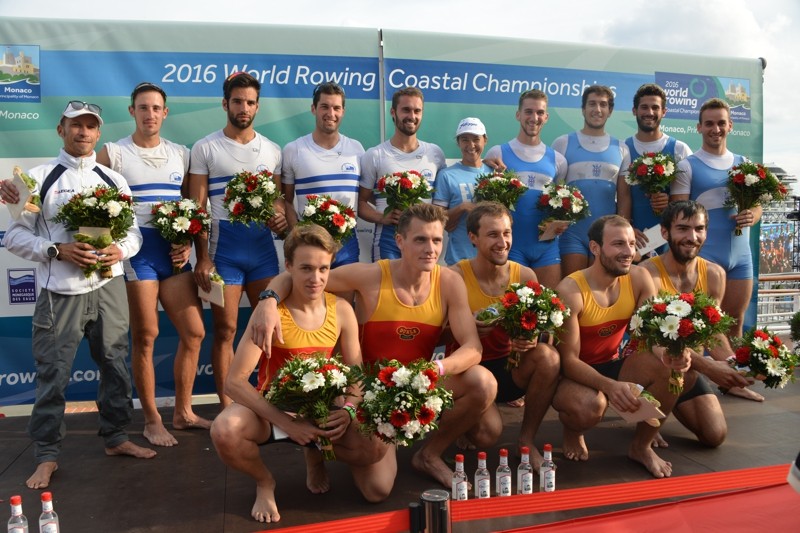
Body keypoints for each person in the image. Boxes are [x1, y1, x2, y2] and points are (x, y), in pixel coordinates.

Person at [250, 203, 497, 489]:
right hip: (371, 394)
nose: (430, 248)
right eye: (421, 239)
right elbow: (303, 275)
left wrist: (435, 368)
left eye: (437, 240)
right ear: (400, 241)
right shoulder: (370, 276)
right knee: (376, 490)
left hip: (418, 382)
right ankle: (315, 452)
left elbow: (473, 348)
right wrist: (268, 299)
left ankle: (429, 455)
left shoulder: (449, 282)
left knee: (484, 388)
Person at [1, 100, 156, 489]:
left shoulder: (112, 179)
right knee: (53, 375)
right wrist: (57, 250)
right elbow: (15, 236)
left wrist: (121, 250)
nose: (83, 132)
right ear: (61, 129)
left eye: (90, 126)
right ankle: (46, 456)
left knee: (116, 365)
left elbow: (133, 233)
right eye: (75, 126)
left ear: (98, 133)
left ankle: (117, 437)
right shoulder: (36, 179)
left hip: (108, 285)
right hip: (60, 292)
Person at [210, 224, 392, 523]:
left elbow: (357, 375)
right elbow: (234, 382)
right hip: (273, 412)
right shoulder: (270, 313)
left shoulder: (342, 309)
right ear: (289, 267)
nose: (316, 278)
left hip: (323, 411)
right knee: (224, 431)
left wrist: (347, 411)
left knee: (374, 447)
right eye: (306, 268)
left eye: (323, 268)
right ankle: (264, 482)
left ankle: (316, 452)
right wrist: (286, 423)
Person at [97, 82, 210, 446]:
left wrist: (187, 240)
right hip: (136, 253)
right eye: (142, 108)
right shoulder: (113, 153)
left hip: (173, 255)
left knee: (194, 333)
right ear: (132, 111)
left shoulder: (181, 153)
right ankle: (150, 419)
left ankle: (183, 412)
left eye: (156, 108)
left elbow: (192, 208)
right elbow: (91, 199)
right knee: (146, 336)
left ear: (165, 113)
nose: (149, 114)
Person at [551, 215, 692, 478]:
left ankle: (641, 447)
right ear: (595, 248)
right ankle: (573, 430)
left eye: (631, 244)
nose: (628, 252)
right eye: (618, 244)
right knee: (589, 406)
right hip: (574, 373)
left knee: (671, 368)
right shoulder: (570, 290)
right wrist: (609, 387)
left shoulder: (639, 278)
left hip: (614, 363)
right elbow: (568, 361)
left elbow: (651, 337)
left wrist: (668, 355)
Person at [187, 71, 289, 408]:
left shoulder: (272, 150)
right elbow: (197, 207)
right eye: (237, 101)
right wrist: (202, 257)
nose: (243, 108)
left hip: (262, 251)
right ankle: (228, 406)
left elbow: (275, 201)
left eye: (249, 102)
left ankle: (271, 399)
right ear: (225, 104)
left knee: (271, 327)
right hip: (223, 253)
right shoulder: (205, 147)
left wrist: (279, 217)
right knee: (226, 330)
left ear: (257, 107)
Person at [449, 201, 560, 469]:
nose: (502, 242)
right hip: (470, 372)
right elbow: (436, 331)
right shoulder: (454, 276)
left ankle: (526, 439)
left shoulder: (524, 274)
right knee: (486, 435)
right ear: (473, 238)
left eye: (506, 233)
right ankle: (462, 420)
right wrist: (466, 327)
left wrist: (535, 337)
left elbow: (547, 328)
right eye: (493, 234)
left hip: (508, 366)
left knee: (549, 357)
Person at [640, 201, 759, 450]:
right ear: (665, 233)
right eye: (682, 228)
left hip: (689, 365)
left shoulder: (715, 274)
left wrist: (736, 367)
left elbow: (713, 332)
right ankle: (644, 419)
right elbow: (656, 339)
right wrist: (710, 368)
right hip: (648, 362)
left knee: (714, 435)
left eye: (699, 229)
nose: (691, 237)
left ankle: (659, 411)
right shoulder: (646, 274)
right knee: (674, 363)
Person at [670, 97, 759, 339]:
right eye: (709, 124)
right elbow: (677, 213)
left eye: (721, 123)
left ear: (731, 125)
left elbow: (758, 206)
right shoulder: (687, 166)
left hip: (741, 258)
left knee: (735, 323)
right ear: (699, 127)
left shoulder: (745, 165)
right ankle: (701, 376)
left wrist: (753, 214)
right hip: (705, 256)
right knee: (701, 326)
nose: (715, 129)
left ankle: (733, 375)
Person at [484, 90, 568, 289]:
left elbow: (562, 204)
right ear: (518, 114)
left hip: (546, 248)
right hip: (511, 247)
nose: (534, 118)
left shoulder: (558, 160)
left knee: (549, 309)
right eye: (528, 111)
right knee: (510, 309)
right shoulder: (497, 153)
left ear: (546, 117)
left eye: (540, 113)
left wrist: (561, 223)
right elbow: (486, 205)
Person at [281, 82, 365, 267]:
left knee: (344, 298)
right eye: (324, 107)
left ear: (343, 111)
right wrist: (298, 233)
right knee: (312, 297)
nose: (331, 114)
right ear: (313, 109)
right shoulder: (293, 150)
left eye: (336, 108)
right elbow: (286, 200)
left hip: (347, 243)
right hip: (310, 242)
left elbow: (365, 198)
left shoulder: (356, 149)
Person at [358, 86, 446, 260]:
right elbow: (360, 202)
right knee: (387, 286)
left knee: (422, 287)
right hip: (387, 239)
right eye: (406, 110)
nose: (412, 116)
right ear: (393, 112)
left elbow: (444, 198)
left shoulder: (435, 153)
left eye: (417, 111)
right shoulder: (375, 155)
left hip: (425, 238)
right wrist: (381, 217)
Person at [552, 85, 631, 277]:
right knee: (573, 288)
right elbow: (554, 193)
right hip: (572, 233)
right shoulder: (563, 143)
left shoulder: (622, 148)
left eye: (603, 105)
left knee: (601, 291)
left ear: (610, 111)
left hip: (607, 236)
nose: (597, 109)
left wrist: (623, 234)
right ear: (583, 109)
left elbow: (624, 197)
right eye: (592, 104)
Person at [617, 83, 693, 252]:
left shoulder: (680, 149)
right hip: (635, 240)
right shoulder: (622, 148)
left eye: (655, 108)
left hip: (670, 239)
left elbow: (689, 200)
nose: (649, 113)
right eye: (644, 107)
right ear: (634, 111)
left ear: (663, 112)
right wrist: (627, 230)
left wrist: (670, 202)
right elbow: (623, 195)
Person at [432, 117, 493, 265]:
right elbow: (437, 221)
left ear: (485, 140)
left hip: (491, 259)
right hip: (459, 260)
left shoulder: (495, 174)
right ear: (458, 142)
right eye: (465, 139)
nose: (471, 145)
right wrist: (462, 207)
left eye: (476, 139)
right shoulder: (446, 175)